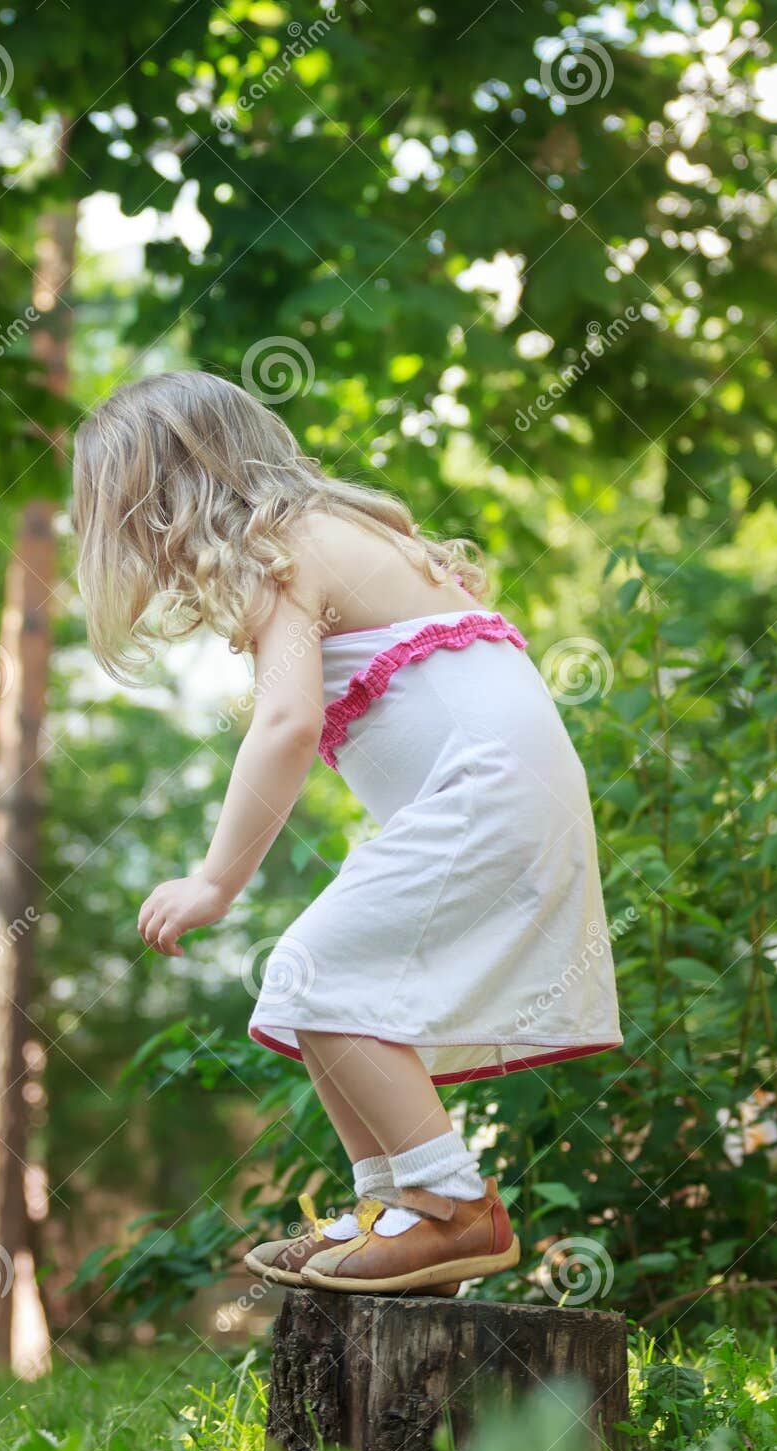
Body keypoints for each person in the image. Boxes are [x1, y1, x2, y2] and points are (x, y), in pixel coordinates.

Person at [73, 370, 620, 1296]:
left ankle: (452, 1208)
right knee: (317, 986)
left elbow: (285, 723)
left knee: (315, 971)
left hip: (487, 792)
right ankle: (394, 1209)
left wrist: (215, 881)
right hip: (508, 793)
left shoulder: (282, 550)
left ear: (173, 494)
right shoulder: (337, 533)